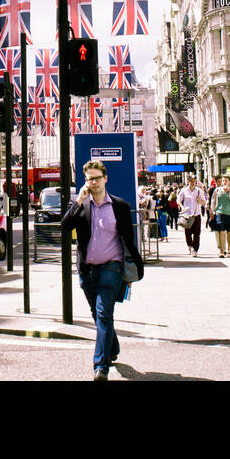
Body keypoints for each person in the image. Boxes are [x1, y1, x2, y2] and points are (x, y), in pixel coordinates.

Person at [61, 159, 144, 380]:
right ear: (85, 182)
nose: (94, 182)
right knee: (97, 314)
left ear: (105, 178)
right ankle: (112, 347)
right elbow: (64, 227)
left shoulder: (120, 206)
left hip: (112, 266)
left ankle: (101, 366)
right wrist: (77, 201)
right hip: (87, 269)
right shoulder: (82, 206)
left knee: (103, 313)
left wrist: (130, 269)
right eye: (90, 179)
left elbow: (128, 239)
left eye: (97, 178)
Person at [178, 173, 206, 256]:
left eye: (194, 181)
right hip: (187, 214)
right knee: (188, 232)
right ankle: (189, 245)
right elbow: (178, 200)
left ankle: (195, 249)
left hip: (196, 214)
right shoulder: (184, 190)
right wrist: (182, 207)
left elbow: (204, 201)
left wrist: (199, 200)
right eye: (191, 181)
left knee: (197, 233)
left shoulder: (199, 190)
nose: (193, 183)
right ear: (188, 181)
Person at [210, 177, 230, 256]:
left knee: (228, 232)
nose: (224, 182)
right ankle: (222, 251)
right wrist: (212, 211)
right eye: (223, 181)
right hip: (219, 213)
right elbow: (213, 201)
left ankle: (228, 250)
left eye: (226, 181)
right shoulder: (217, 190)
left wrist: (228, 192)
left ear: (229, 182)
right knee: (221, 231)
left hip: (229, 213)